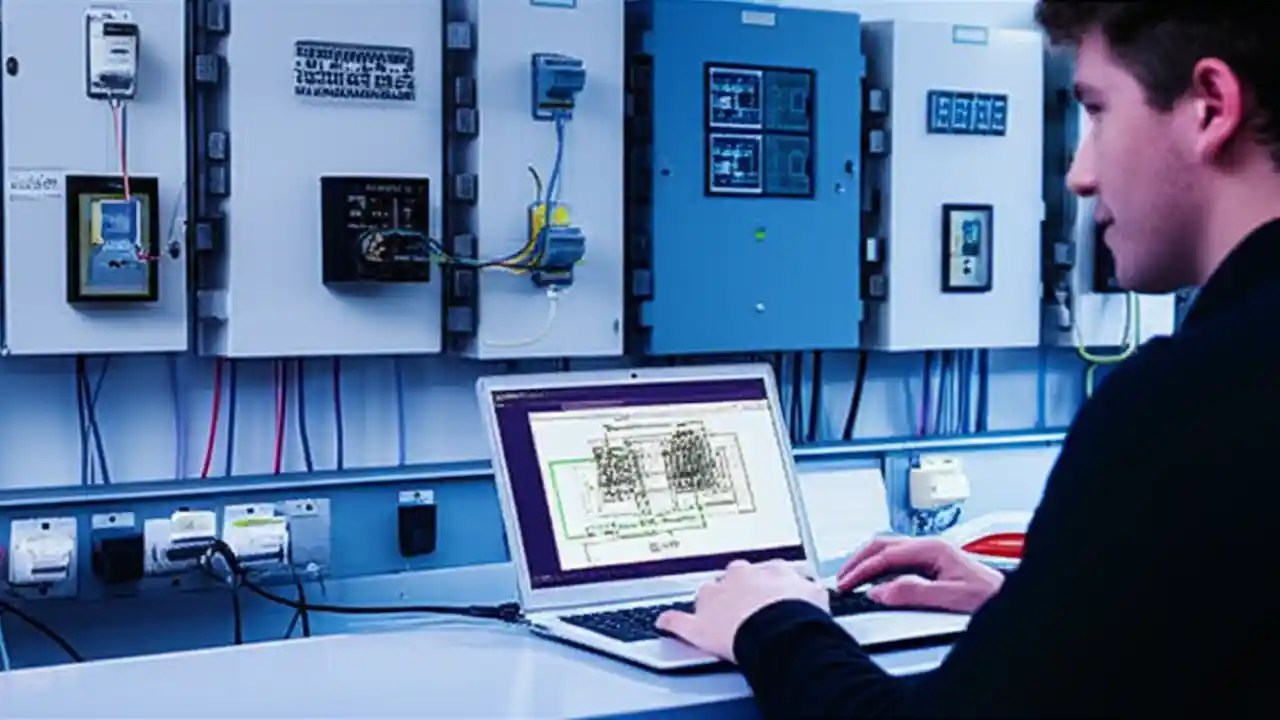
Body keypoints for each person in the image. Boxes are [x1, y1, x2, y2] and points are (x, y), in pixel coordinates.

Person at [655, 2, 1280, 716]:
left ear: (1209, 107)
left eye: (1098, 113)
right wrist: (1038, 608)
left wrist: (771, 622)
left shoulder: (1183, 407)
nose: (1078, 173)